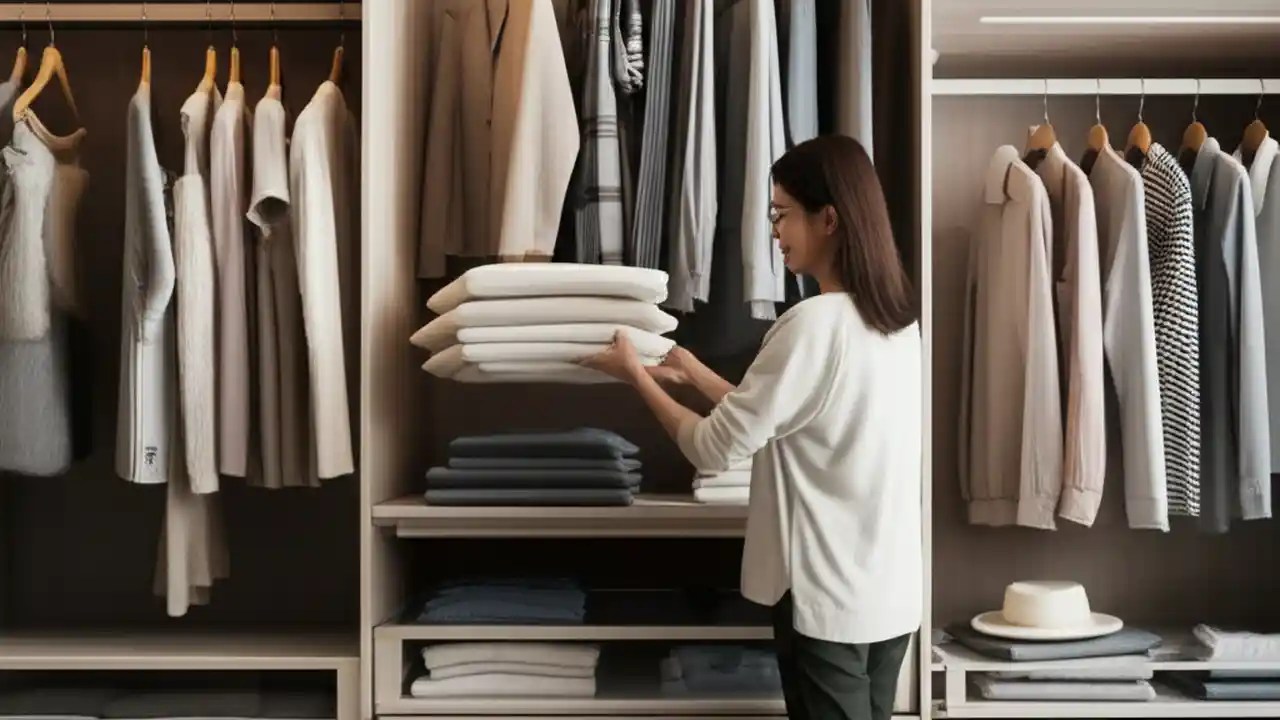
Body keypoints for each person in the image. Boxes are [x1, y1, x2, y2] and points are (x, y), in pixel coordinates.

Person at [583, 135, 922, 720]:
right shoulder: (894, 324)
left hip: (827, 598)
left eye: (781, 214)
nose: (773, 230)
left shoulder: (811, 324)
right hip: (887, 595)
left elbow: (712, 449)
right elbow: (796, 417)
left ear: (830, 219)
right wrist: (690, 373)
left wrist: (633, 376)